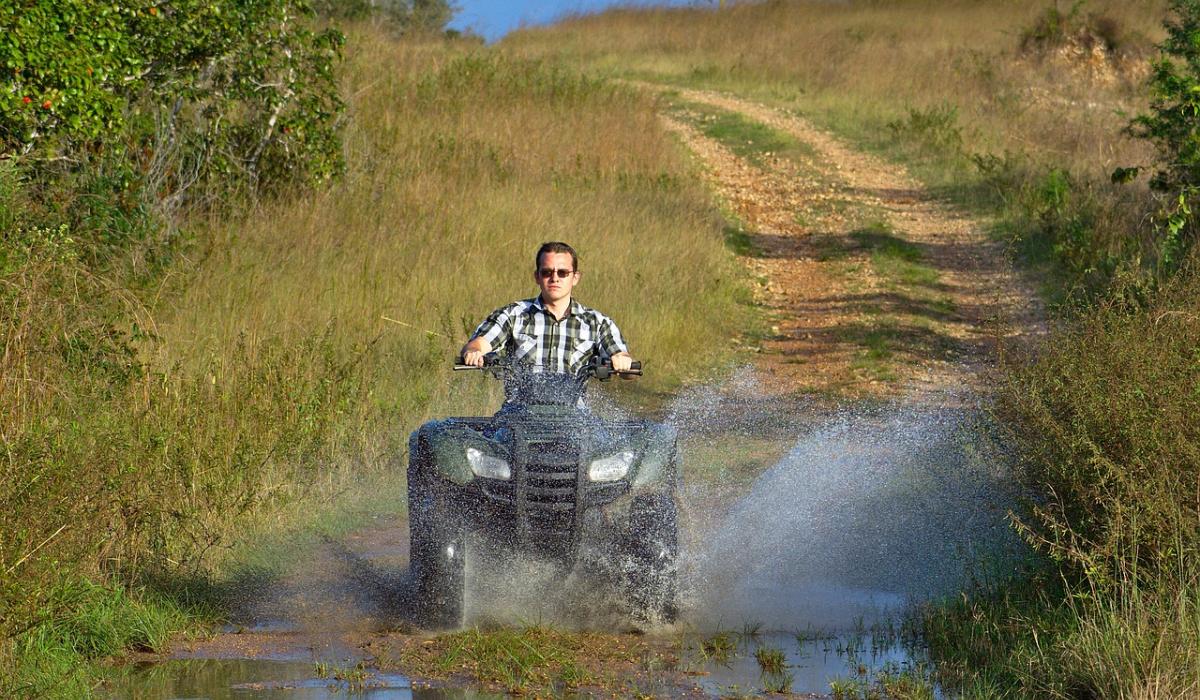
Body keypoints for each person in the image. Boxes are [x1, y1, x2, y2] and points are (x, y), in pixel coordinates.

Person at [460, 242, 634, 380]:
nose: (555, 278)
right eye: (547, 272)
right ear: (537, 276)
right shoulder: (513, 315)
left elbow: (625, 363)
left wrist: (622, 361)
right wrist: (474, 352)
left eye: (563, 272)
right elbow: (480, 343)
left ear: (575, 278)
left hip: (575, 418)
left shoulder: (597, 323)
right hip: (518, 415)